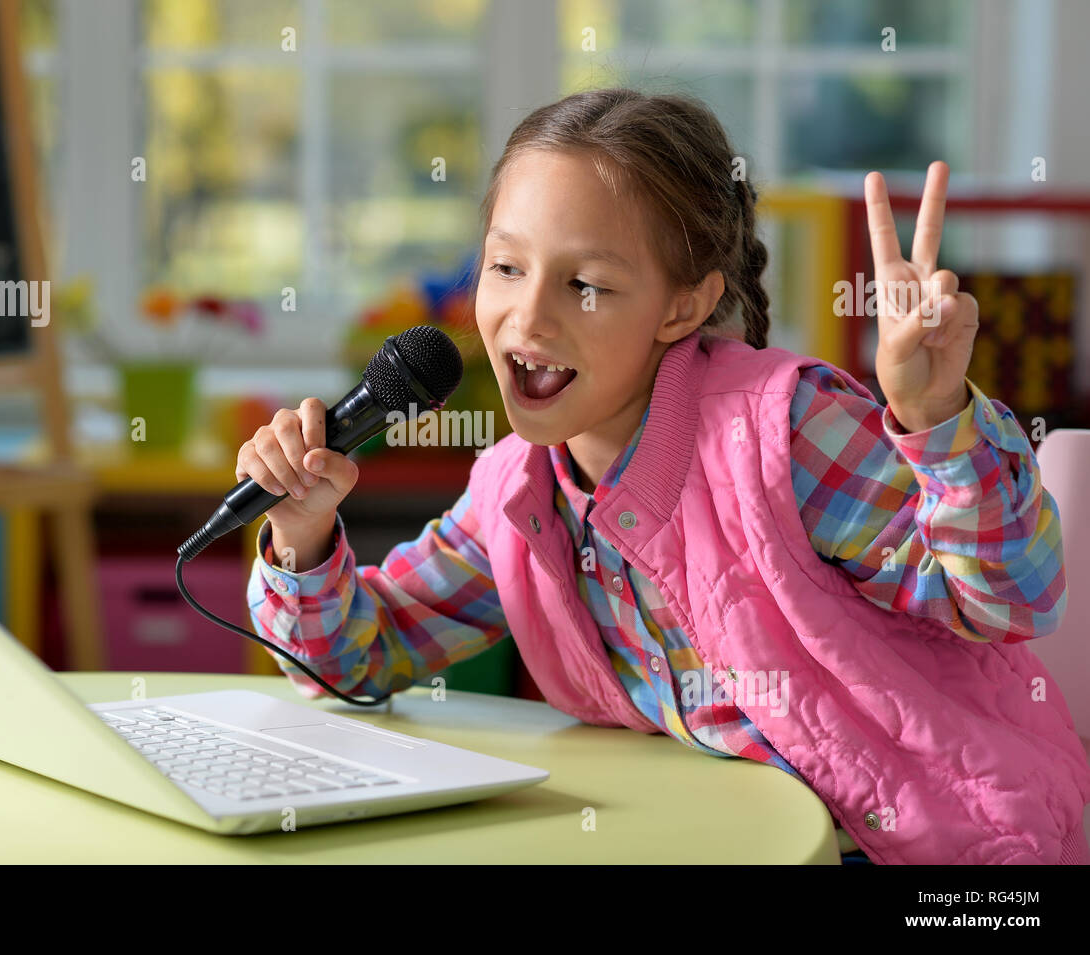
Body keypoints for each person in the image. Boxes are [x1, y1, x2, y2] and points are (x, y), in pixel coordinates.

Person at [236, 88, 1090, 864]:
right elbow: (358, 659)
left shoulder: (784, 433)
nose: (527, 316)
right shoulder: (519, 492)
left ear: (681, 307)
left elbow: (1011, 602)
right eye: (505, 267)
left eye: (587, 284)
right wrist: (303, 531)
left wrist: (939, 421)